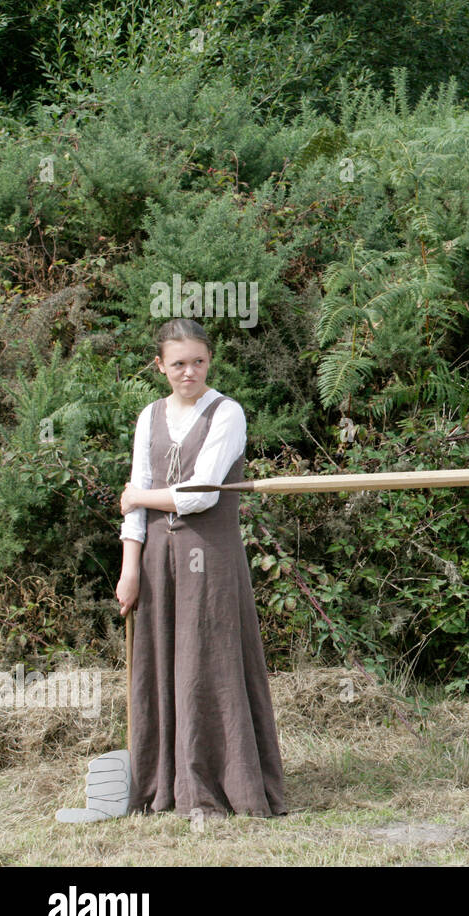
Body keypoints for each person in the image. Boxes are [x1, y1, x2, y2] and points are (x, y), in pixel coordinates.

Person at [116, 318, 286, 819]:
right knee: (162, 666)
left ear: (209, 361)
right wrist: (130, 569)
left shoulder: (227, 413)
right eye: (177, 364)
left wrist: (136, 498)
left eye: (198, 362)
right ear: (160, 366)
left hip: (208, 559)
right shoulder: (149, 417)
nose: (188, 372)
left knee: (205, 667)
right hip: (155, 562)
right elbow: (136, 501)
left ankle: (217, 785)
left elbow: (201, 492)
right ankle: (164, 785)